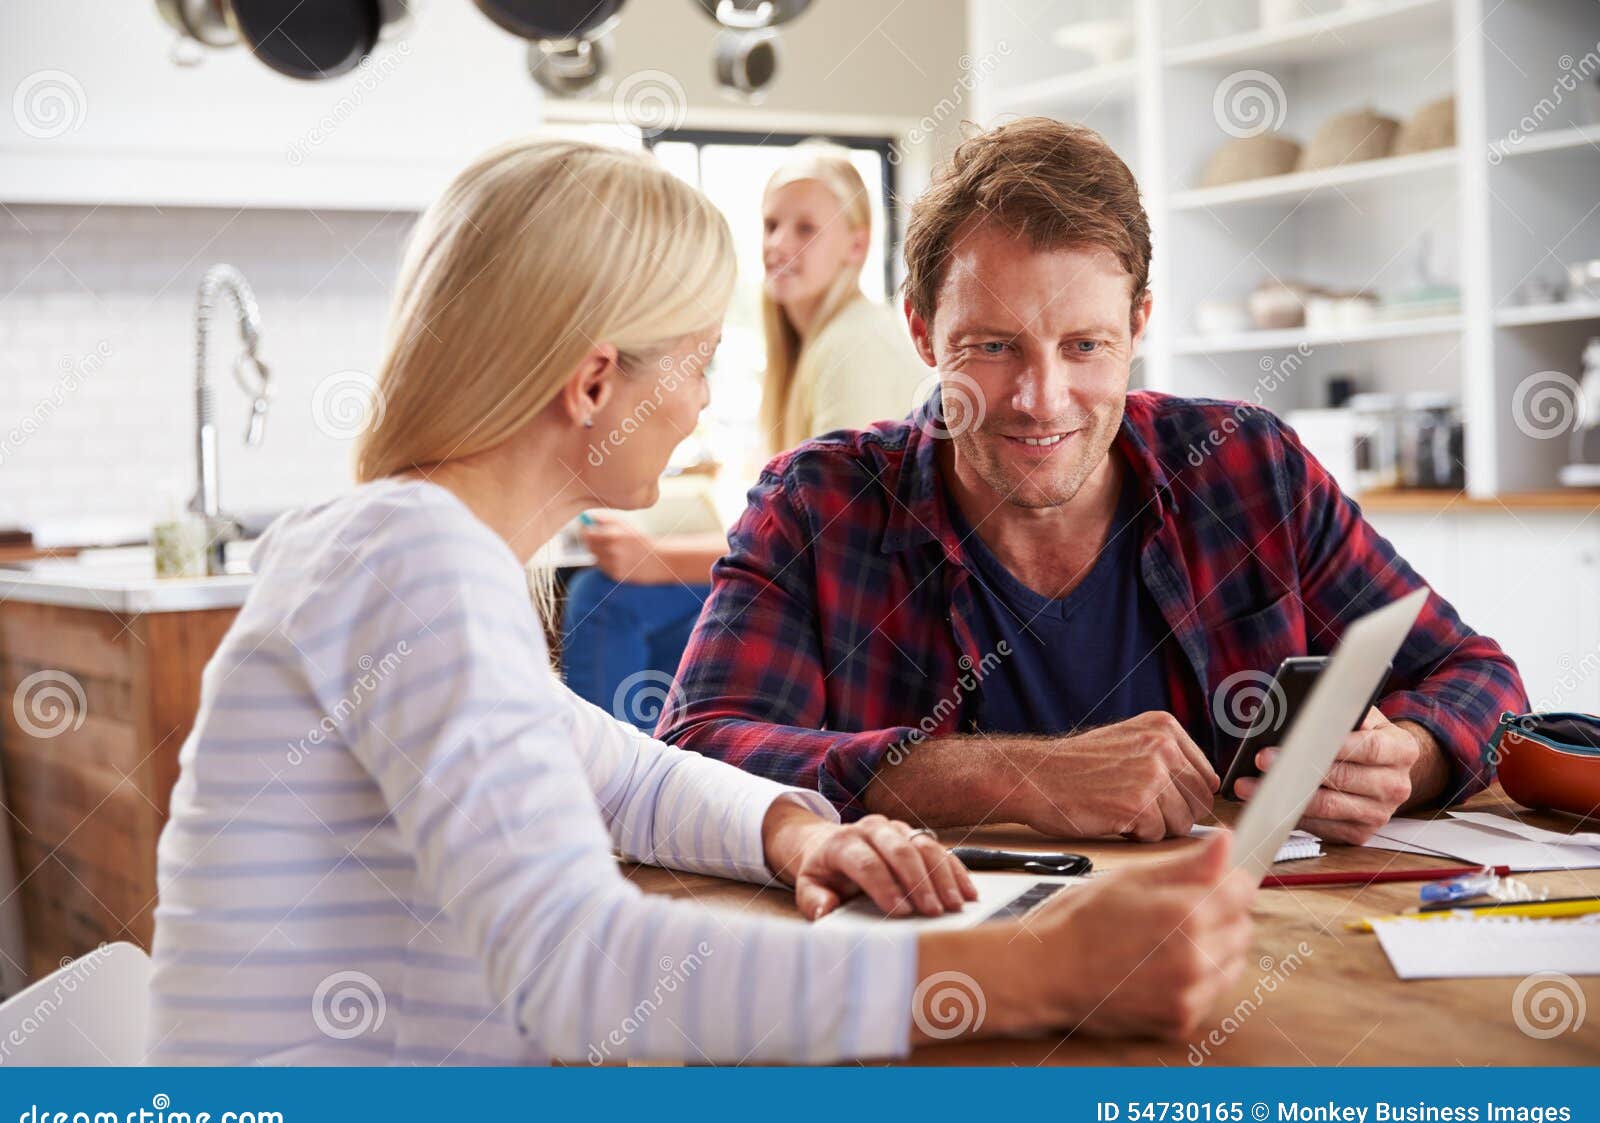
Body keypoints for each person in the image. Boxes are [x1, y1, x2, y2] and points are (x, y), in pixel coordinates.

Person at [146, 138, 1257, 1065]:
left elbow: (620, 769)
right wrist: (1033, 967)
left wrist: (793, 832)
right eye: (695, 361)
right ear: (594, 386)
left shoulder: (393, 543)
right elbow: (585, 972)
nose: (703, 401)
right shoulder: (411, 559)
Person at [660, 117, 1529, 847]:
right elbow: (695, 760)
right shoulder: (819, 503)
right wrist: (1018, 775)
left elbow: (1478, 676)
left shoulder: (1247, 468)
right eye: (991, 347)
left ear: (1137, 324)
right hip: (943, 983)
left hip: (1249, 965)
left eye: (1085, 346)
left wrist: (1410, 757)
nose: (1042, 401)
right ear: (923, 331)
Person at [562, 143, 925, 728]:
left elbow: (829, 545)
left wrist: (655, 560)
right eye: (771, 224)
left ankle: (606, 797)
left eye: (806, 228)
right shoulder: (814, 347)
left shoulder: (852, 347)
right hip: (817, 602)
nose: (780, 244)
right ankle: (650, 774)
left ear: (856, 247)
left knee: (601, 602)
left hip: (853, 619)